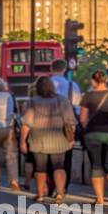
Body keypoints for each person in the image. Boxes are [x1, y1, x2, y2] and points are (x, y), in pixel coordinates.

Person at [20, 75, 76, 204]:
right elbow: (70, 121)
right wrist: (71, 138)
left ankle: (40, 194)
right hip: (59, 138)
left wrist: (23, 142)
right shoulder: (62, 100)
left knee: (40, 168)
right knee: (59, 166)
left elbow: (26, 124)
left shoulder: (32, 102)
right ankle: (60, 194)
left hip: (38, 139)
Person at [80, 69, 108, 207]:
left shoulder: (88, 96)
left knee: (97, 166)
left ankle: (100, 199)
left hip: (93, 133)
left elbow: (83, 119)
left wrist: (86, 128)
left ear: (94, 81)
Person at [49, 57, 82, 189]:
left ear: (51, 69)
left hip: (49, 123)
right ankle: (63, 185)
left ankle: (50, 183)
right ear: (64, 70)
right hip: (67, 124)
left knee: (49, 154)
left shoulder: (46, 84)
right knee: (67, 155)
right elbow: (77, 106)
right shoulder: (72, 86)